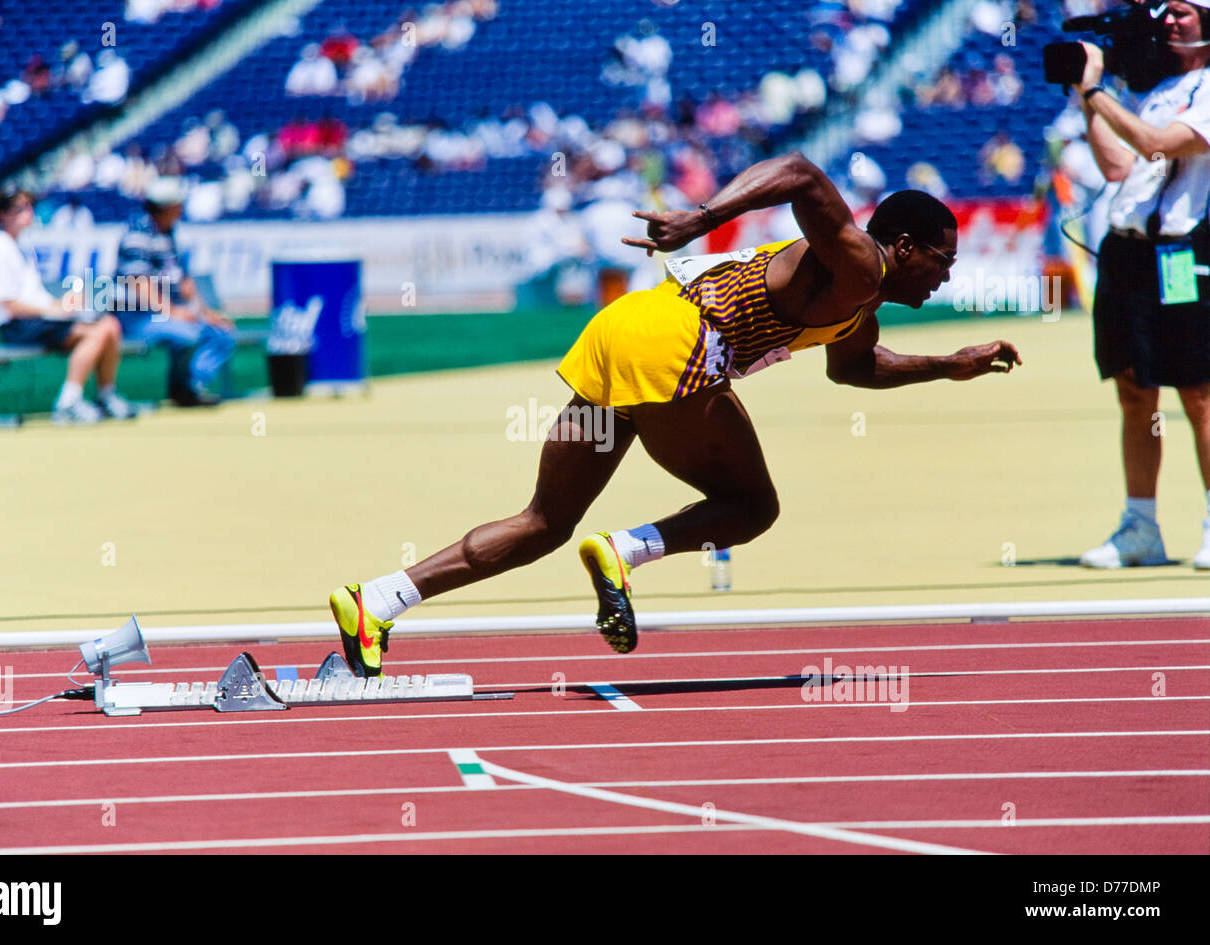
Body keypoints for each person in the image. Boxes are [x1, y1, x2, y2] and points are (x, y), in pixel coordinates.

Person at [325, 153, 1021, 678]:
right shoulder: (860, 264)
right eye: (941, 258)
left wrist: (948, 363)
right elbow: (803, 174)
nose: (948, 275)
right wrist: (702, 218)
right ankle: (623, 553)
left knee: (544, 521)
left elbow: (856, 367)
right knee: (752, 506)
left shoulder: (856, 303)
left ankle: (380, 600)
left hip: (623, 332)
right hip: (678, 348)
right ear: (902, 245)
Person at [1072, 0, 1210, 569]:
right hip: (1128, 253)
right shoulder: (1163, 88)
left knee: (1199, 392)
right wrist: (1084, 100)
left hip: (1181, 253)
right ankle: (1141, 524)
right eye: (1167, 13)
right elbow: (1116, 166)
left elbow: (1158, 145)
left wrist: (1096, 91)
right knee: (1133, 391)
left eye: (1184, 11)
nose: (1170, 22)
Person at [0, 189, 132, 423]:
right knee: (98, 331)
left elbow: (35, 298)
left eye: (29, 206)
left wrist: (63, 305)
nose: (28, 213)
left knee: (110, 324)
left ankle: (106, 396)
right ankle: (68, 402)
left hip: (36, 322)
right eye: (20, 208)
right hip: (18, 327)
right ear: (1, 214)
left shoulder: (19, 245)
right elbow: (8, 304)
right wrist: (53, 310)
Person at [113, 178, 235, 406]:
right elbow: (138, 283)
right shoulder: (137, 234)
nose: (181, 209)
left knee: (221, 334)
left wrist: (206, 314)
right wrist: (172, 312)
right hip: (135, 317)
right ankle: (184, 389)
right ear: (167, 206)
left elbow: (185, 284)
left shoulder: (171, 234)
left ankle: (191, 387)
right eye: (178, 204)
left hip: (165, 313)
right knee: (187, 333)